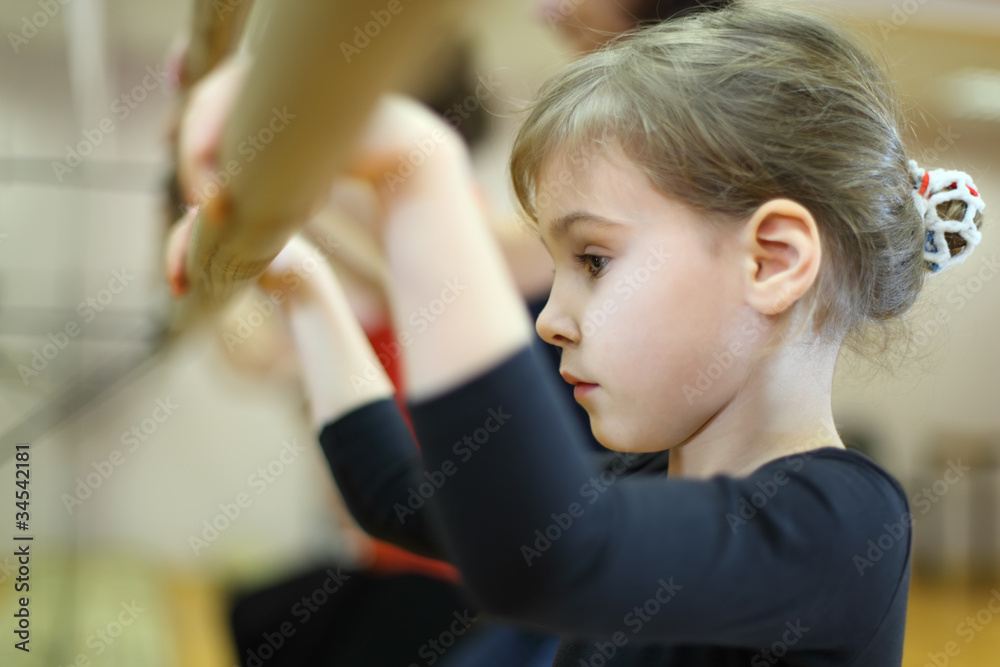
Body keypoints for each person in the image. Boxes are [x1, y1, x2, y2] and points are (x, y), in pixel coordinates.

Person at [176, 4, 989, 666]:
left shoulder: (843, 523)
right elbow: (400, 495)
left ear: (773, 260)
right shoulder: (641, 481)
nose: (549, 317)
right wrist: (306, 288)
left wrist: (413, 174)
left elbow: (550, 554)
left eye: (595, 259)